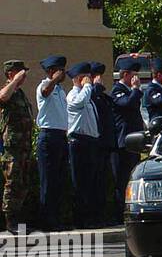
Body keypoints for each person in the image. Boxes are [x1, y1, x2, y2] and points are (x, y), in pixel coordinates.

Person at [0, 60, 36, 232]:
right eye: (20, 72)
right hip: (12, 147)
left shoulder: (20, 93)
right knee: (12, 183)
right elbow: (2, 97)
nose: (24, 75)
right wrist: (14, 81)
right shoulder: (9, 90)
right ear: (10, 73)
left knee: (23, 183)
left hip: (24, 146)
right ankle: (10, 222)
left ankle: (19, 221)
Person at [109, 60, 146, 225]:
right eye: (133, 74)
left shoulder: (130, 91)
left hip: (133, 142)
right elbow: (127, 104)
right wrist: (136, 89)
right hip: (123, 142)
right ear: (125, 75)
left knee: (131, 178)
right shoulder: (117, 90)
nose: (135, 77)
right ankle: (118, 214)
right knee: (122, 180)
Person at [35, 54, 69, 230]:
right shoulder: (44, 86)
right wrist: (53, 79)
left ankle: (56, 218)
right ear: (51, 71)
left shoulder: (60, 90)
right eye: (60, 70)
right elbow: (45, 92)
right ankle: (47, 221)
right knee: (48, 181)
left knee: (59, 180)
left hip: (61, 137)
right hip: (48, 137)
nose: (63, 73)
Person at [65, 62, 100, 229]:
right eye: (86, 77)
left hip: (90, 142)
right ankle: (81, 219)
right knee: (80, 182)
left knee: (91, 182)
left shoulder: (88, 97)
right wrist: (87, 86)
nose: (90, 81)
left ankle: (92, 216)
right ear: (79, 78)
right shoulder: (73, 95)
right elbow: (79, 102)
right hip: (78, 143)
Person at [89, 62, 114, 226]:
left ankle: (103, 215)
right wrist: (95, 87)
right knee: (93, 182)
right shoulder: (88, 95)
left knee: (103, 183)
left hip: (105, 145)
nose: (99, 80)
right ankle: (94, 217)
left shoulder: (102, 96)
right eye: (95, 77)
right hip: (94, 145)